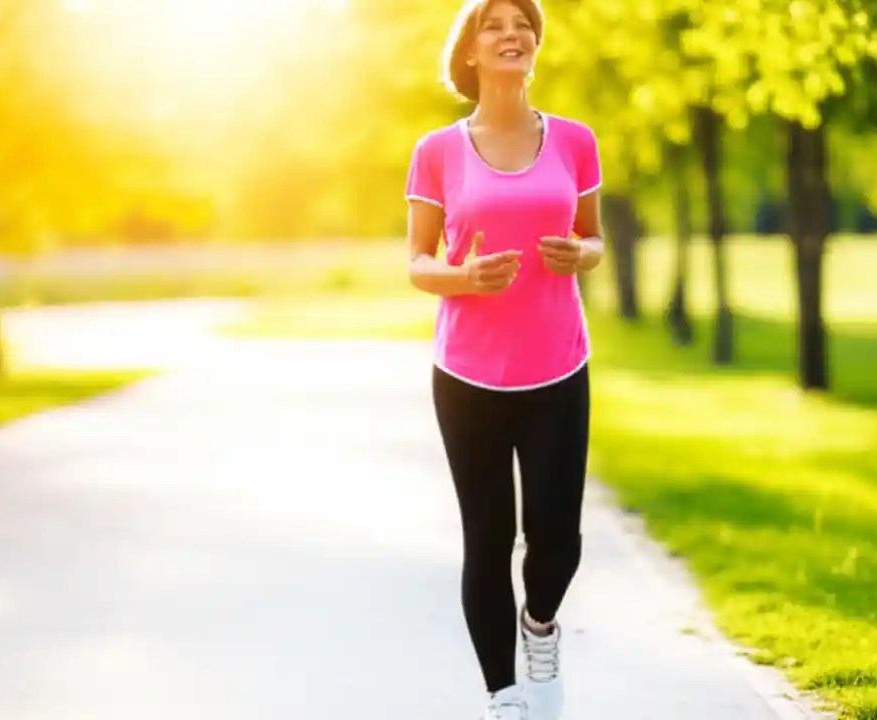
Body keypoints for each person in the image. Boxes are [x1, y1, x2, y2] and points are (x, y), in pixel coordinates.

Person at [402, 1, 604, 719]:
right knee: (487, 539)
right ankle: (505, 698)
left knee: (558, 541)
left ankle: (540, 626)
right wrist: (464, 277)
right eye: (494, 24)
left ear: (535, 46)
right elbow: (418, 261)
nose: (511, 33)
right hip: (467, 375)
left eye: (523, 24)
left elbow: (594, 237)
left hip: (558, 366)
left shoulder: (575, 141)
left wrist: (583, 254)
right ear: (470, 51)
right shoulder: (437, 150)